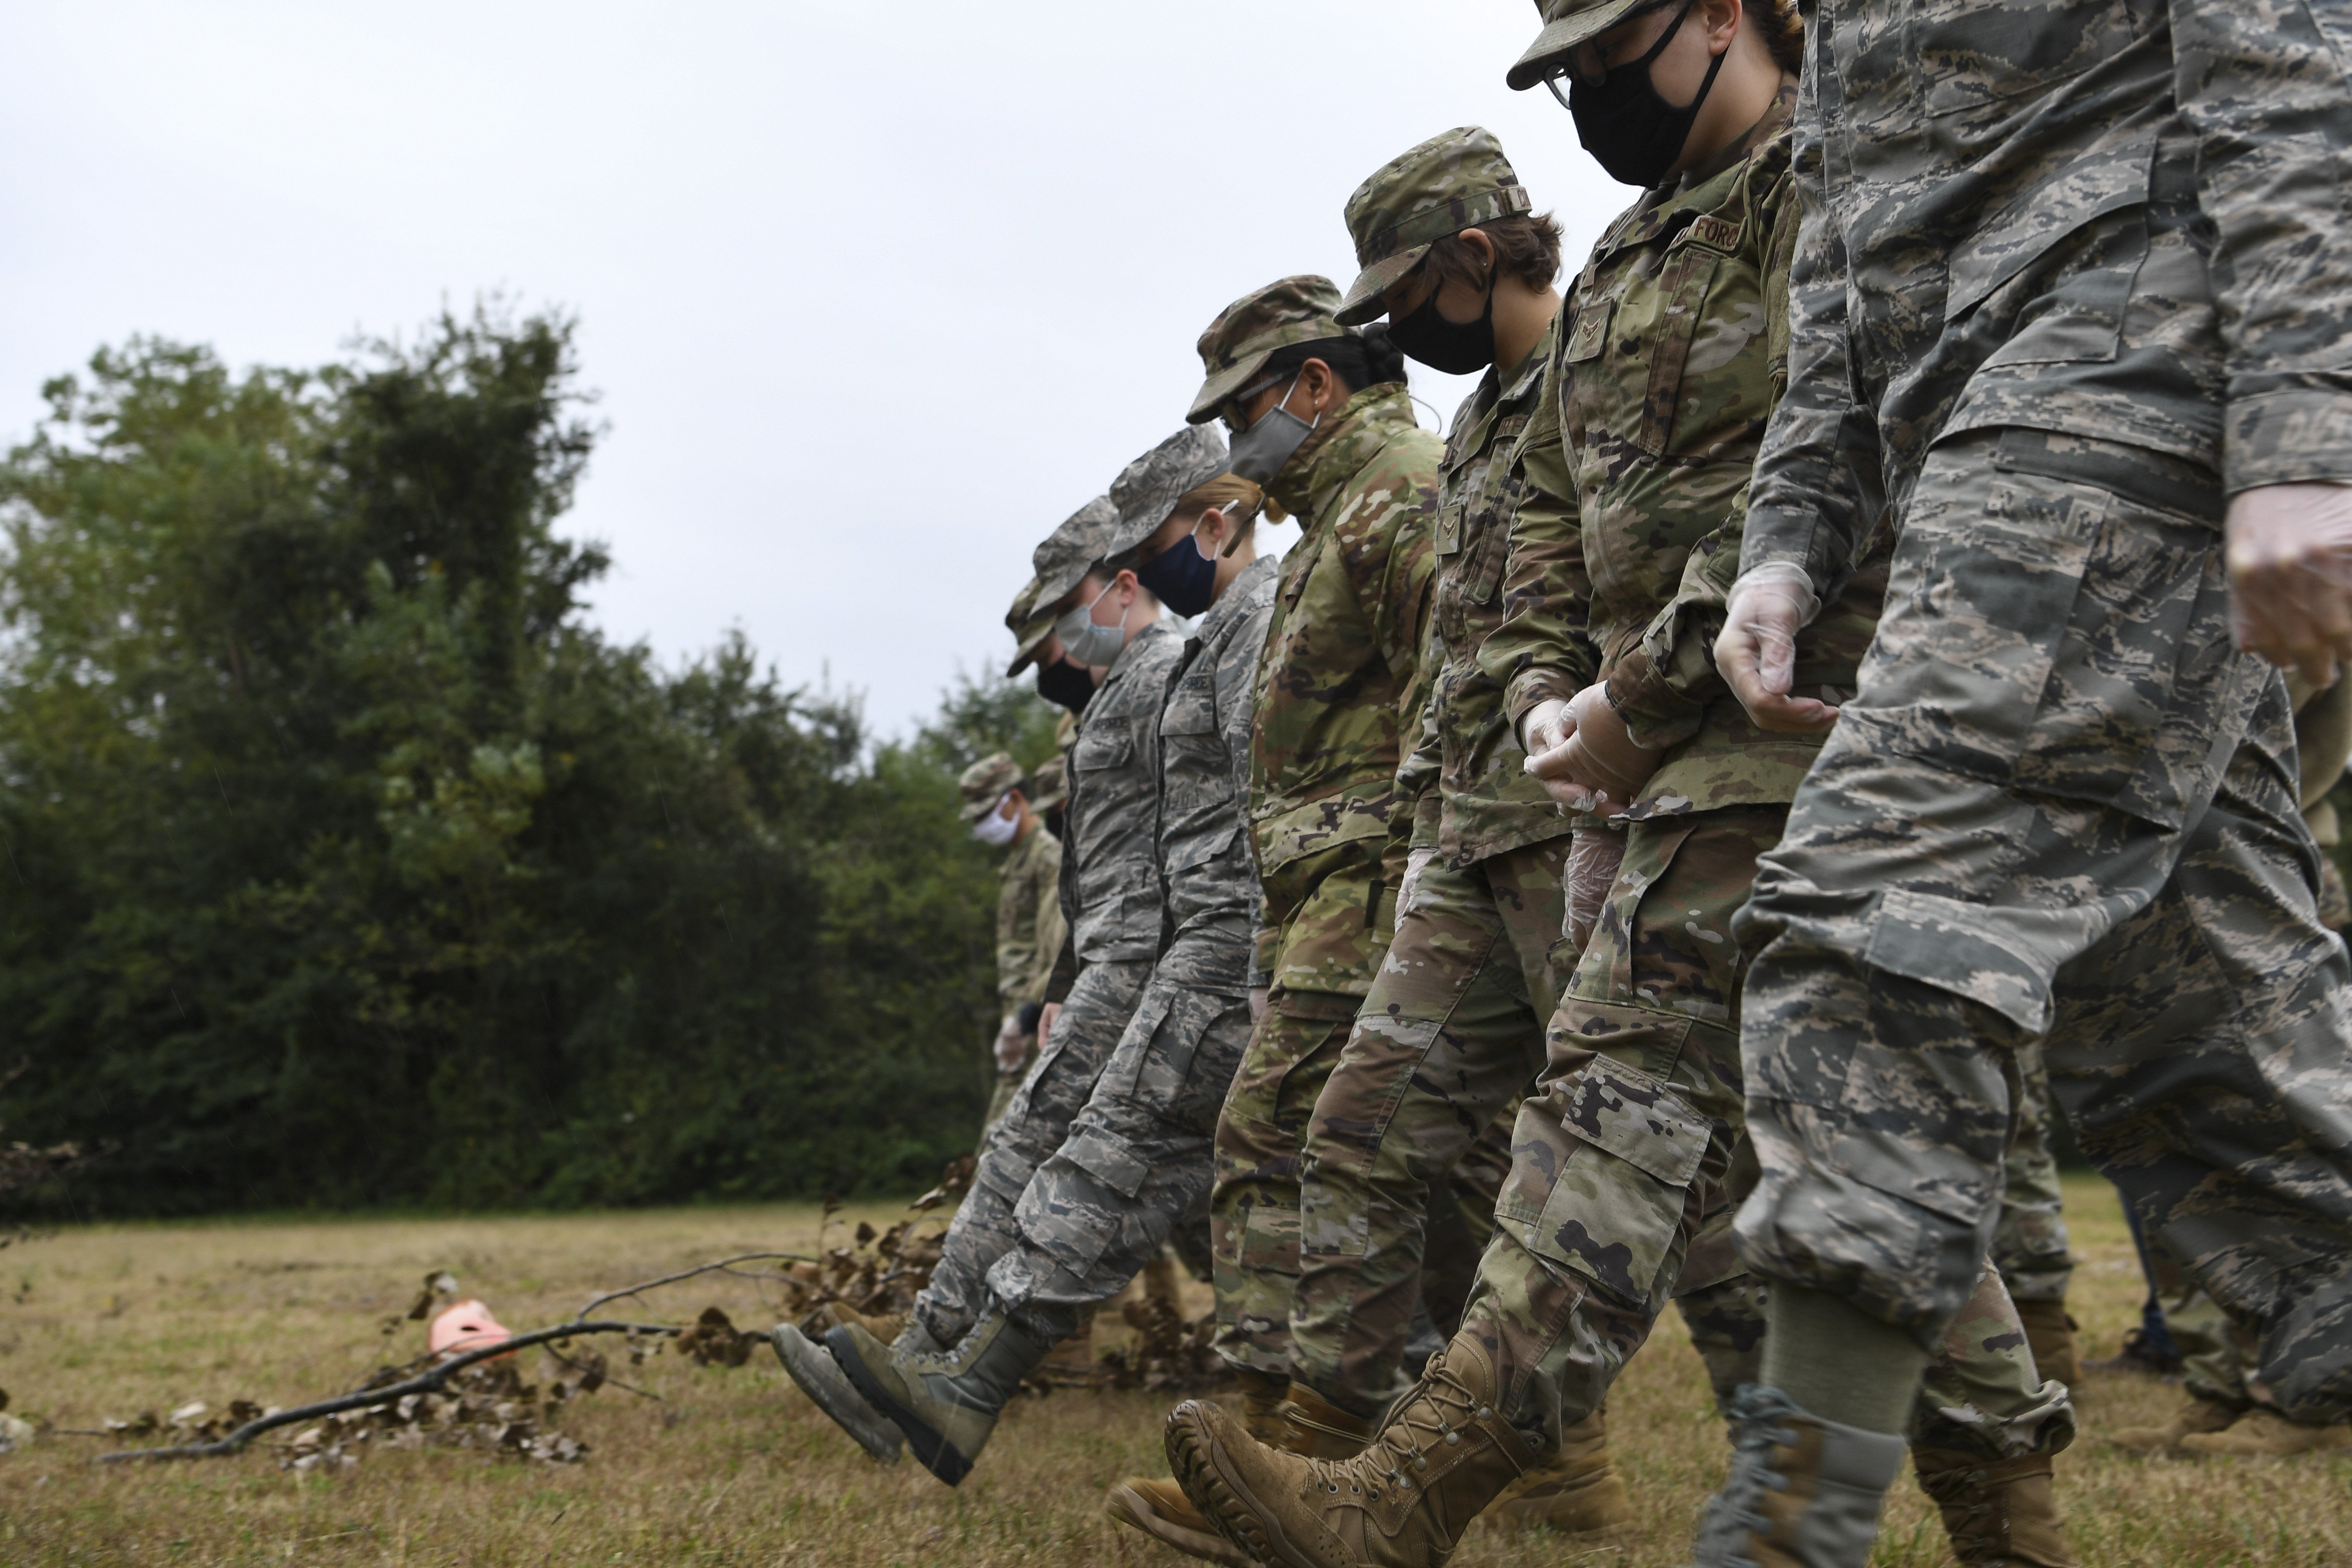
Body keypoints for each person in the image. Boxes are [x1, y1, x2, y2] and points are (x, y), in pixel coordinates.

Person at [1164, 8, 2074, 1564]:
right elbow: (1531, 551)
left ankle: (1407, 1498)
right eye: (1562, 77)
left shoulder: (1847, 194)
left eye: (1605, 58)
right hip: (1650, 780)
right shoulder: (1622, 279)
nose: (1587, 97)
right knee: (1817, 1148)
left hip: (1826, 739)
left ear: (1724, 16)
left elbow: (1853, 461)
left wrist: (1635, 700)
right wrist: (1548, 715)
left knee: (1657, 1120)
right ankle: (2008, 1519)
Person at [1680, 0, 2352, 1558]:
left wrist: (2309, 431)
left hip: (2137, 376)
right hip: (1977, 446)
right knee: (2211, 1043)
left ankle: (1790, 1528)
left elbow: (2295, 55)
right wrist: (1789, 541)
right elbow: (1850, 250)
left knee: (1871, 926)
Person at [784, 427, 1281, 1487]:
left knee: (1126, 1165)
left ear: (1111, 591)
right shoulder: (1150, 677)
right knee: (1071, 1158)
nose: (1053, 660)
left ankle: (957, 1367)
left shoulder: (1188, 660)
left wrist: (1187, 972)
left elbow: (1219, 829)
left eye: (1061, 626)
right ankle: (933, 1359)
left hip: (1187, 964)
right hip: (1149, 965)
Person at [1104, 277, 1443, 1563]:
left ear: (1313, 385)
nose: (1233, 440)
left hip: (1387, 892)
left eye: (1241, 408)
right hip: (1327, 901)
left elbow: (1446, 688)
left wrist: (1424, 882)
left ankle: (1299, 1461)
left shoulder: (1400, 487)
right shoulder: (1338, 514)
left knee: (1306, 1143)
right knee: (1349, 1154)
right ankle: (1301, 1459)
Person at [958, 751, 1068, 1151]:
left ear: (1015, 799)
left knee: (1001, 1147)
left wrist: (1023, 1018)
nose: (979, 824)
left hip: (1037, 1018)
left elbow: (1058, 949)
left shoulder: (1048, 856)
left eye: (985, 812)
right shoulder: (1019, 860)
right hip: (1022, 1018)